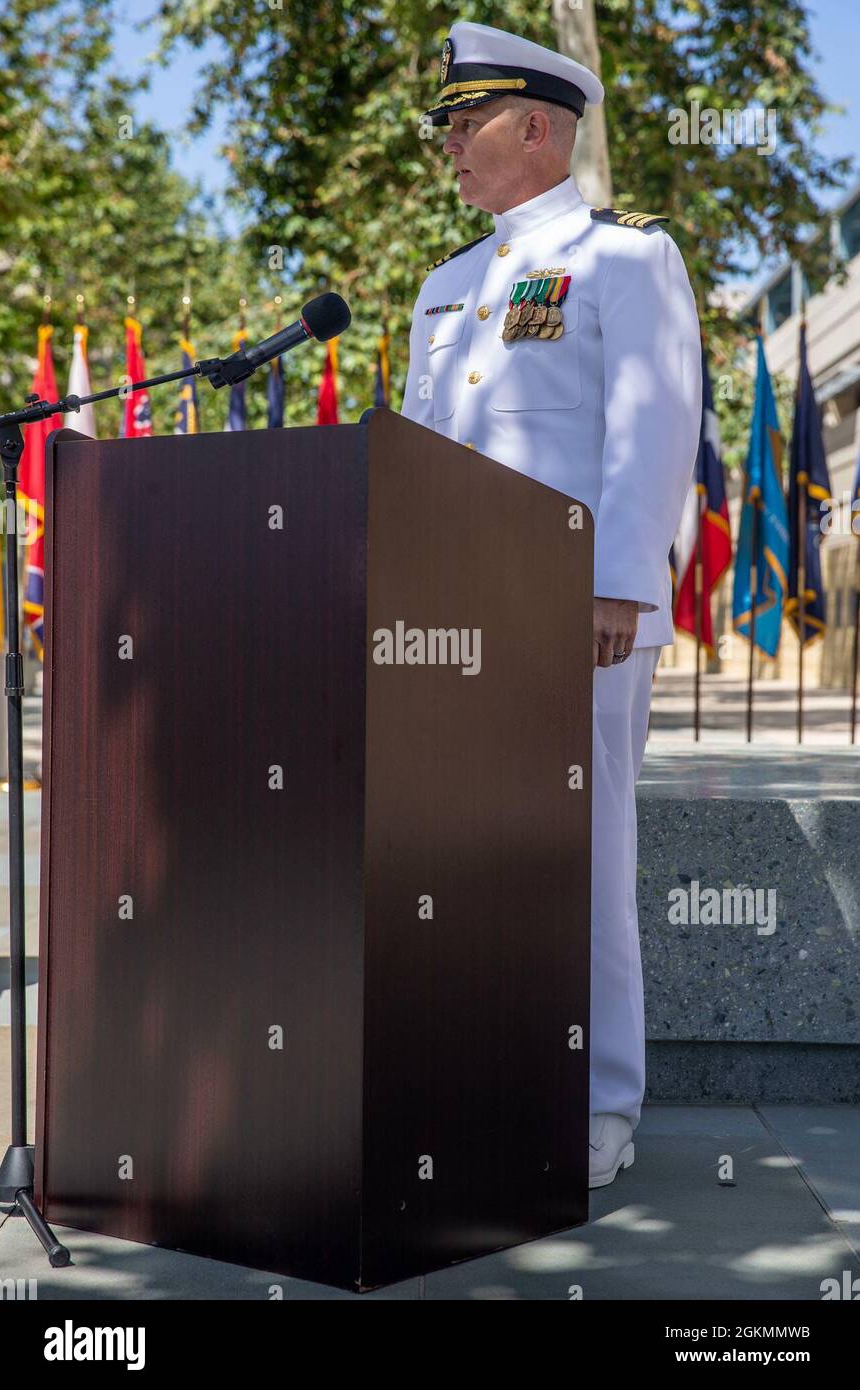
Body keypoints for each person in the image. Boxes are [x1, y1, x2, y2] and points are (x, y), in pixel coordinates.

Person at [401, 20, 702, 1188]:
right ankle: (479, 1070)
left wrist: (620, 583)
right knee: (460, 849)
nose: (448, 149)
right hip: (443, 618)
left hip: (574, 612)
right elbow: (423, 445)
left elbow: (652, 421)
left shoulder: (625, 256)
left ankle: (596, 1099)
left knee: (581, 848)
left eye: (461, 124)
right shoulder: (447, 283)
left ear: (534, 126)